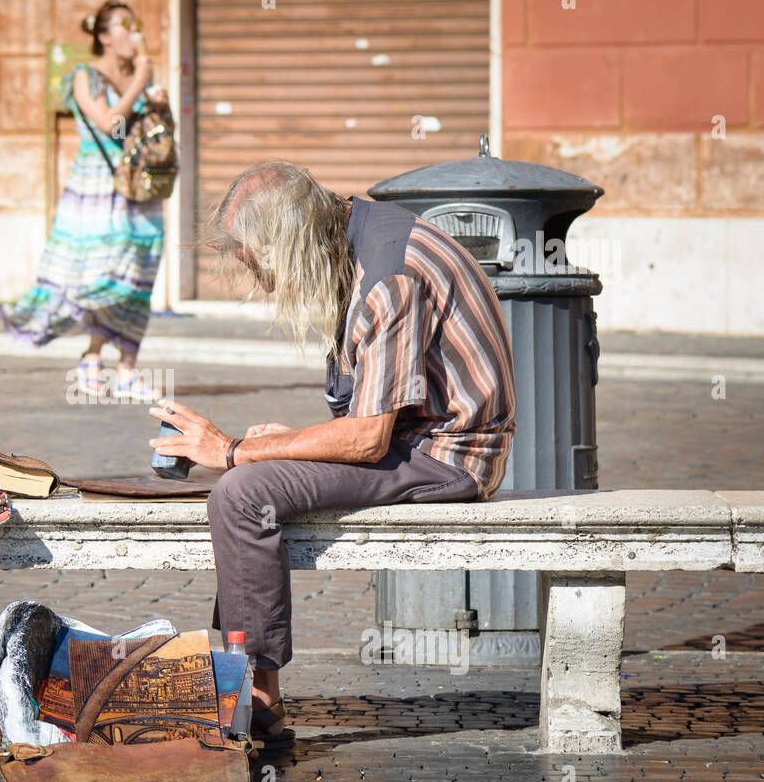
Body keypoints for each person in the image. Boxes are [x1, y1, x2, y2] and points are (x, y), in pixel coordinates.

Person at [148, 160, 517, 748]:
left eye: (259, 265)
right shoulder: (355, 236)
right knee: (254, 474)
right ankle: (248, 685)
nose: (263, 283)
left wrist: (237, 451)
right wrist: (275, 448)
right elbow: (370, 418)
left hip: (450, 455)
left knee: (242, 492)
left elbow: (367, 439)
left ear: (288, 242)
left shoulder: (387, 277)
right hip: (412, 439)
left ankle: (258, 701)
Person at [0, 0, 167, 401]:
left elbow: (149, 132)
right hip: (95, 192)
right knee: (101, 277)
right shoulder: (83, 77)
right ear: (104, 36)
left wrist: (158, 105)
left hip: (139, 190)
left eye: (135, 22)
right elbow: (110, 123)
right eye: (124, 24)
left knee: (137, 278)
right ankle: (91, 357)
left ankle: (126, 367)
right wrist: (142, 77)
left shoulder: (139, 77)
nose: (134, 31)